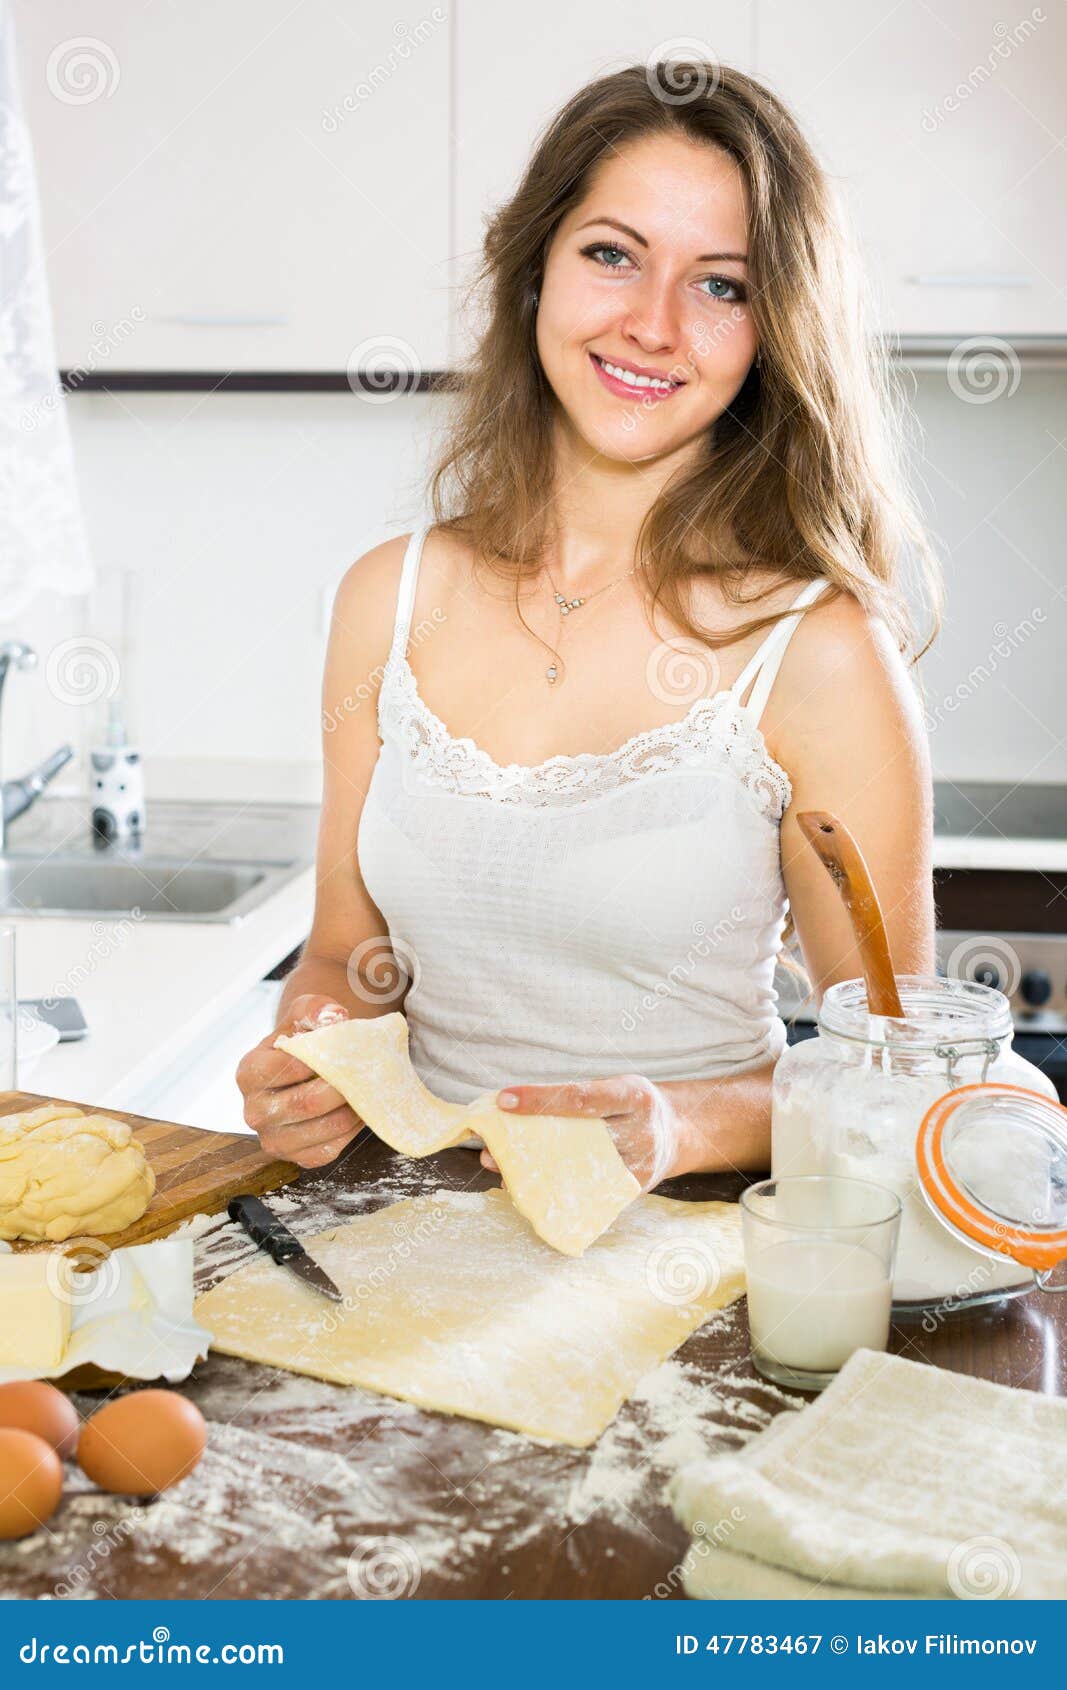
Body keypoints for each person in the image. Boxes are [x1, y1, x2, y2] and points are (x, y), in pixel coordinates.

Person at [237, 60, 938, 1191]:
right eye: (610, 254)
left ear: (772, 328)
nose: (652, 325)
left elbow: (891, 1066)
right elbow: (343, 953)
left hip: (694, 1250)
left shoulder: (816, 651)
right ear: (534, 273)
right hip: (410, 1228)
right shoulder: (391, 595)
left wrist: (682, 1127)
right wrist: (309, 1052)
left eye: (721, 285)